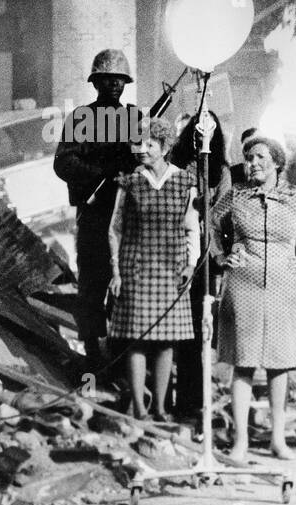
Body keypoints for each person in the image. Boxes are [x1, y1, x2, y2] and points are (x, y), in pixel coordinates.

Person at [211, 136, 296, 462]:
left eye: (260, 157)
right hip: (242, 283)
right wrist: (221, 255)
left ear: (277, 162)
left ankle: (278, 439)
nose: (253, 163)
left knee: (280, 365)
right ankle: (240, 443)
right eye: (248, 157)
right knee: (243, 363)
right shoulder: (235, 196)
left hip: (284, 285)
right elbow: (209, 223)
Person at [52, 49, 141, 377]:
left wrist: (126, 171)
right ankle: (93, 355)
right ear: (96, 82)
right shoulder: (80, 118)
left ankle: (121, 357)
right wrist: (101, 172)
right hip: (93, 213)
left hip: (125, 216)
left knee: (125, 285)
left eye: (120, 80)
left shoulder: (133, 118)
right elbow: (64, 163)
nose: (115, 85)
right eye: (109, 79)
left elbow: (142, 160)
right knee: (91, 285)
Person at [106, 118, 199, 421]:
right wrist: (117, 272)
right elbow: (114, 230)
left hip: (171, 270)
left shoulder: (184, 181)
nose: (141, 149)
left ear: (166, 147)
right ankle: (139, 407)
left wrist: (190, 263)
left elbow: (192, 229)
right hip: (136, 269)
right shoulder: (129, 182)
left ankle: (160, 407)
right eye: (137, 144)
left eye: (149, 144)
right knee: (137, 340)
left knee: (165, 342)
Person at [168, 106, 230, 423]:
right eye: (201, 129)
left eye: (212, 129)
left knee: (197, 329)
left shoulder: (221, 171)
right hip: (173, 251)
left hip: (205, 255)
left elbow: (222, 211)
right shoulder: (175, 165)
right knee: (169, 330)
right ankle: (163, 399)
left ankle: (192, 400)